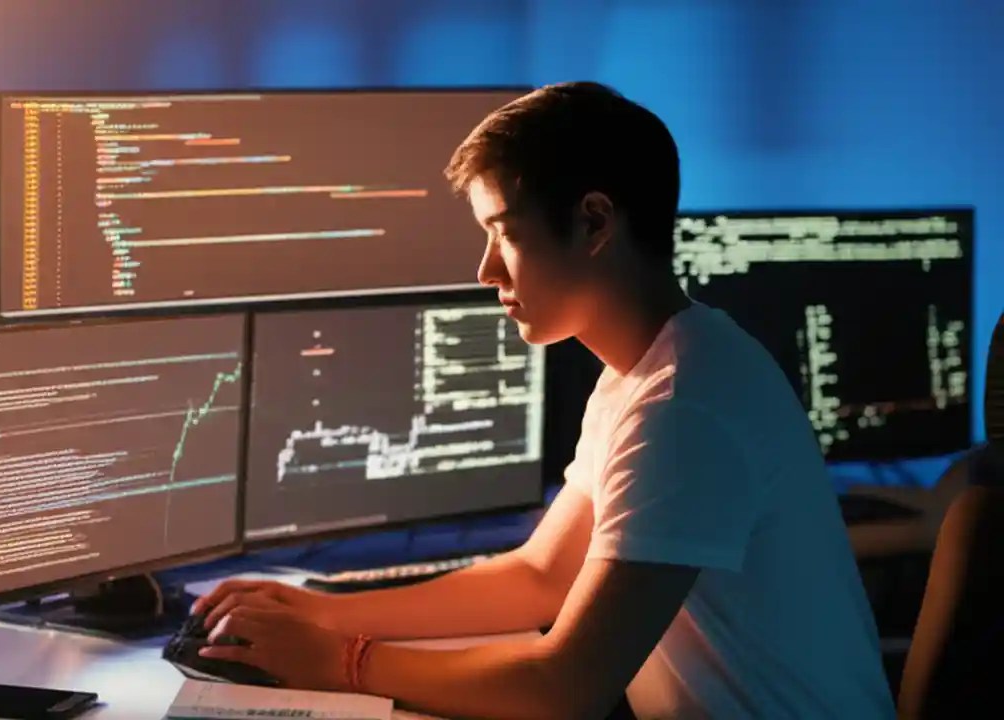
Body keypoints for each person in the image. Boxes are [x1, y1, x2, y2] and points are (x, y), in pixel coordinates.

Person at [192, 82, 894, 719]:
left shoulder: (684, 406)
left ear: (594, 223)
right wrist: (324, 615)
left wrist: (340, 663)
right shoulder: (649, 371)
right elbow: (541, 577)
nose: (486, 269)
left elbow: (565, 689)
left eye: (505, 233)